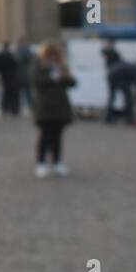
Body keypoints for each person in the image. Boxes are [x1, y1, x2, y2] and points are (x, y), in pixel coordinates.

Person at [32, 41, 77, 178]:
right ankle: (41, 163)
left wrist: (64, 76)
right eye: (50, 55)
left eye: (54, 55)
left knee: (58, 137)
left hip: (60, 107)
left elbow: (72, 83)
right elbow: (37, 82)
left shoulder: (61, 67)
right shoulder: (39, 67)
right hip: (45, 107)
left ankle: (57, 162)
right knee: (45, 136)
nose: (52, 58)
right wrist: (52, 77)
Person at [0, 44, 20, 115]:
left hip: (6, 78)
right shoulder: (11, 56)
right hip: (11, 78)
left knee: (6, 95)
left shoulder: (2, 57)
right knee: (11, 95)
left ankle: (6, 109)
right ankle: (13, 109)